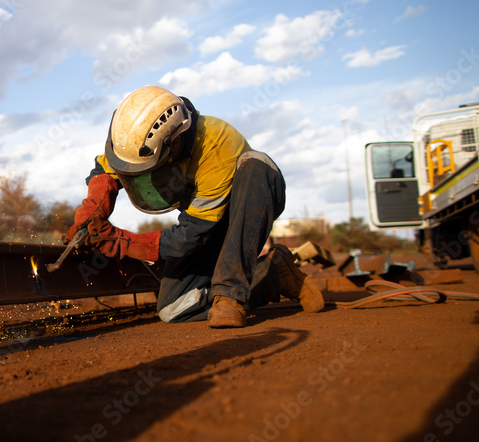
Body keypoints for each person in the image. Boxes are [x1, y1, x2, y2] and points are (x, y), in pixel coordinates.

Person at [64, 86, 323, 328]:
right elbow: (105, 171)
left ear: (174, 144)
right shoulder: (133, 137)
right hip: (205, 226)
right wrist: (93, 210)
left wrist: (124, 242)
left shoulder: (216, 146)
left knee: (256, 163)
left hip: (240, 217)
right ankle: (273, 274)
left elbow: (192, 234)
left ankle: (231, 294)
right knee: (173, 309)